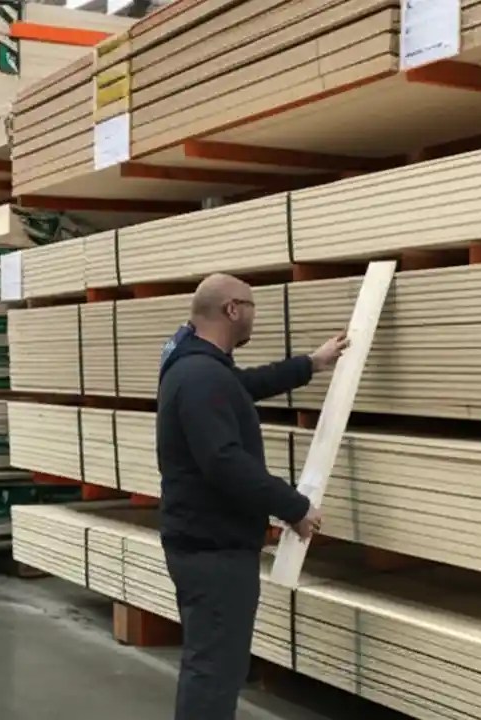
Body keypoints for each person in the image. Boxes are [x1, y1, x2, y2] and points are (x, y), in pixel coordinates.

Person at [156, 273, 348, 720]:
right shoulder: (202, 376)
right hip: (214, 551)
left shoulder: (196, 363)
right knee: (214, 670)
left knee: (212, 664)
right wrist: (295, 507)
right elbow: (225, 462)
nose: (255, 315)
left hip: (203, 543)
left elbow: (243, 386)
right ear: (233, 310)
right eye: (253, 306)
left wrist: (311, 363)